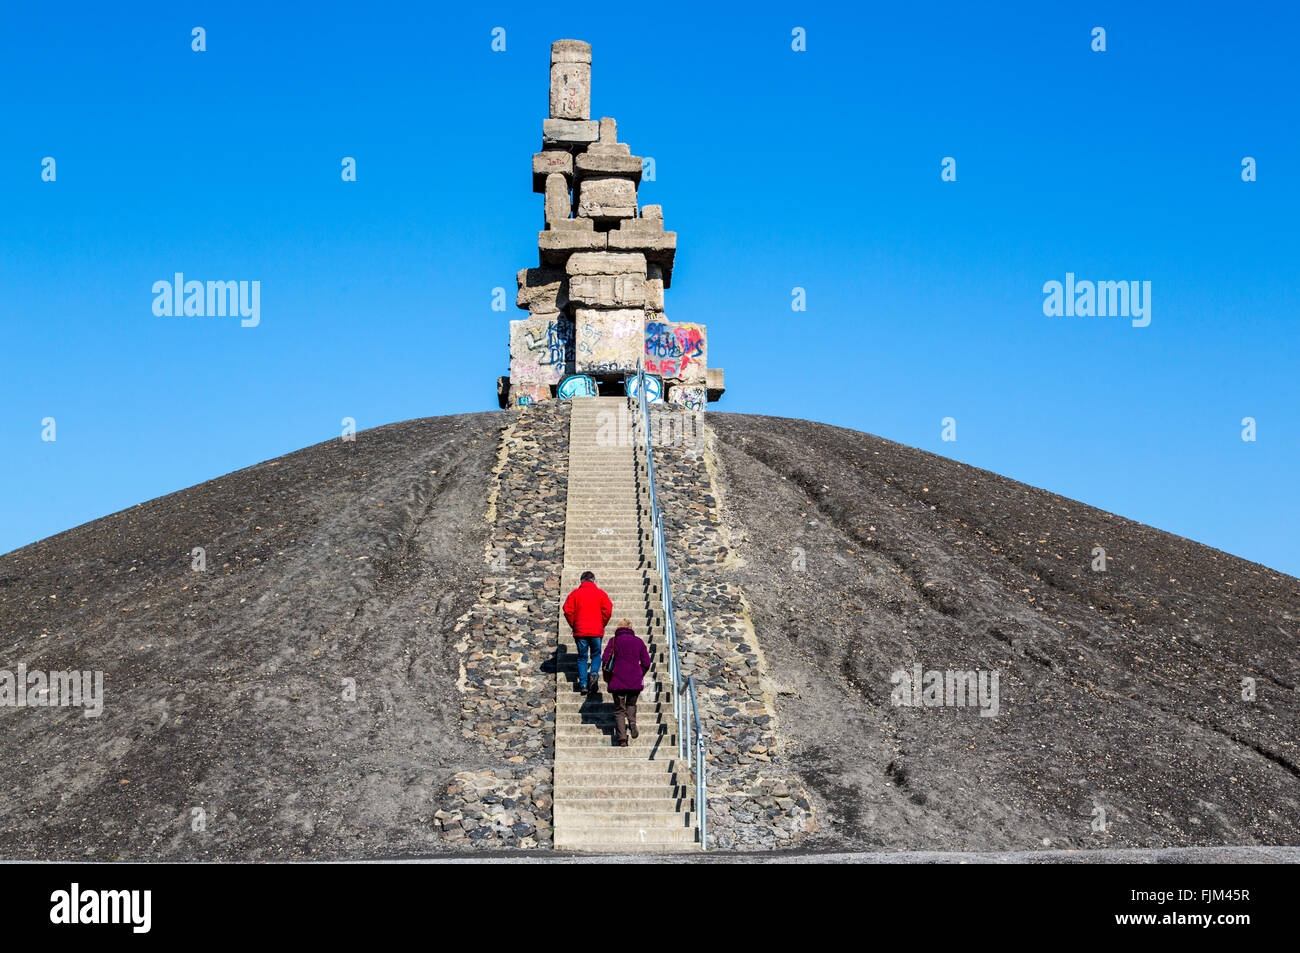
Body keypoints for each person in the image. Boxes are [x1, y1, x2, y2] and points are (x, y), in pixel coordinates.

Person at [601, 619, 651, 746]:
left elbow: (605, 659)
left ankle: (622, 739)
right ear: (631, 628)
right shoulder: (638, 641)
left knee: (619, 710)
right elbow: (646, 662)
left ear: (618, 628)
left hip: (617, 680)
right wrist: (640, 673)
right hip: (635, 680)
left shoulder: (613, 641)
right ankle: (632, 723)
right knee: (631, 704)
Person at [562, 571, 612, 696]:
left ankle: (583, 684)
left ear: (581, 581)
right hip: (596, 630)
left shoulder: (574, 594)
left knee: (582, 657)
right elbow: (608, 609)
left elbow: (567, 610)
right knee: (596, 654)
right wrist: (602, 623)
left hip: (580, 631)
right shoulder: (601, 594)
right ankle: (594, 672)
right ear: (593, 580)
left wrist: (574, 624)